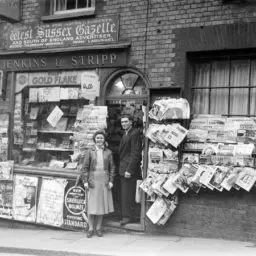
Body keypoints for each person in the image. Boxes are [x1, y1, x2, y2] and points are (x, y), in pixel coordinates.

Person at [76, 131, 115, 238]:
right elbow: (84, 168)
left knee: (101, 206)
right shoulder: (90, 152)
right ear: (94, 139)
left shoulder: (108, 152)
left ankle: (98, 228)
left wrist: (111, 181)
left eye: (101, 138)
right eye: (97, 138)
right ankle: (90, 228)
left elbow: (112, 168)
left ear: (104, 140)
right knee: (91, 206)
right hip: (92, 181)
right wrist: (85, 181)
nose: (99, 140)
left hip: (104, 181)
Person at [119, 114, 142, 226]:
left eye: (126, 121)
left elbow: (135, 153)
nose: (124, 124)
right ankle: (126, 215)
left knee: (127, 193)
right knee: (124, 193)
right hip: (123, 167)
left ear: (131, 122)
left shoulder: (135, 133)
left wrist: (129, 170)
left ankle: (128, 216)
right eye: (122, 122)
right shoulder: (126, 133)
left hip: (128, 169)